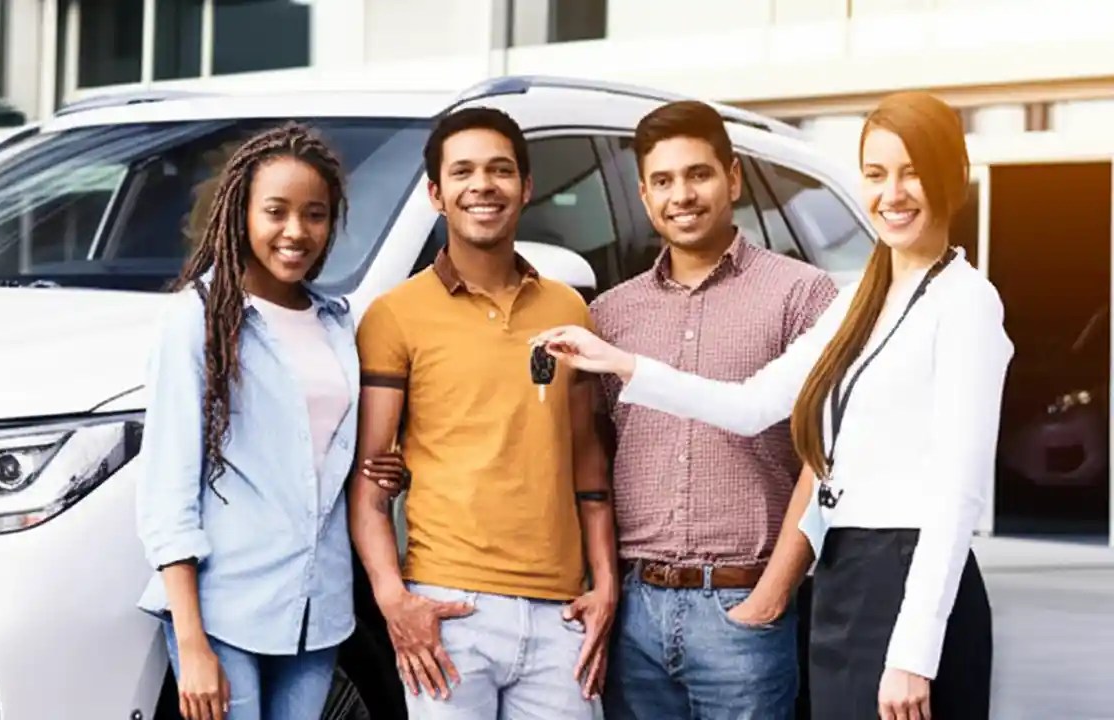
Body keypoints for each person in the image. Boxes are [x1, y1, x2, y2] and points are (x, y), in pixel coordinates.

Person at [531, 90, 1011, 720]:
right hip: (846, 578)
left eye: (912, 172)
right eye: (875, 174)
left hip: (908, 580)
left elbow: (955, 497)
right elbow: (752, 404)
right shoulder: (864, 298)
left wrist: (913, 656)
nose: (892, 193)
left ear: (950, 176)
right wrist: (622, 363)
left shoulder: (967, 302)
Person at [349, 106, 619, 719]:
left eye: (500, 170)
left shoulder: (568, 309)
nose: (483, 185)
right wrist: (394, 600)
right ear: (436, 194)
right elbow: (368, 482)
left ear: (526, 188)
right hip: (447, 610)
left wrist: (605, 586)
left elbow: (588, 461)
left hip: (561, 614)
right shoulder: (394, 315)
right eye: (463, 171)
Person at [133, 123, 406, 720]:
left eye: (315, 214)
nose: (296, 231)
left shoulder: (337, 324)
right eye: (276, 211)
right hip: (224, 610)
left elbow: (328, 452)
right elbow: (167, 489)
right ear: (241, 215)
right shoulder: (197, 319)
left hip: (317, 611)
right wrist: (191, 641)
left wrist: (389, 467)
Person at [578, 100, 839, 720]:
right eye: (663, 181)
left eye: (698, 174)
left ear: (733, 177)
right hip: (633, 616)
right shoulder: (610, 315)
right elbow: (592, 462)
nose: (682, 196)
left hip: (742, 611)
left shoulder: (802, 295)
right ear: (644, 196)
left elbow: (826, 458)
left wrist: (772, 593)